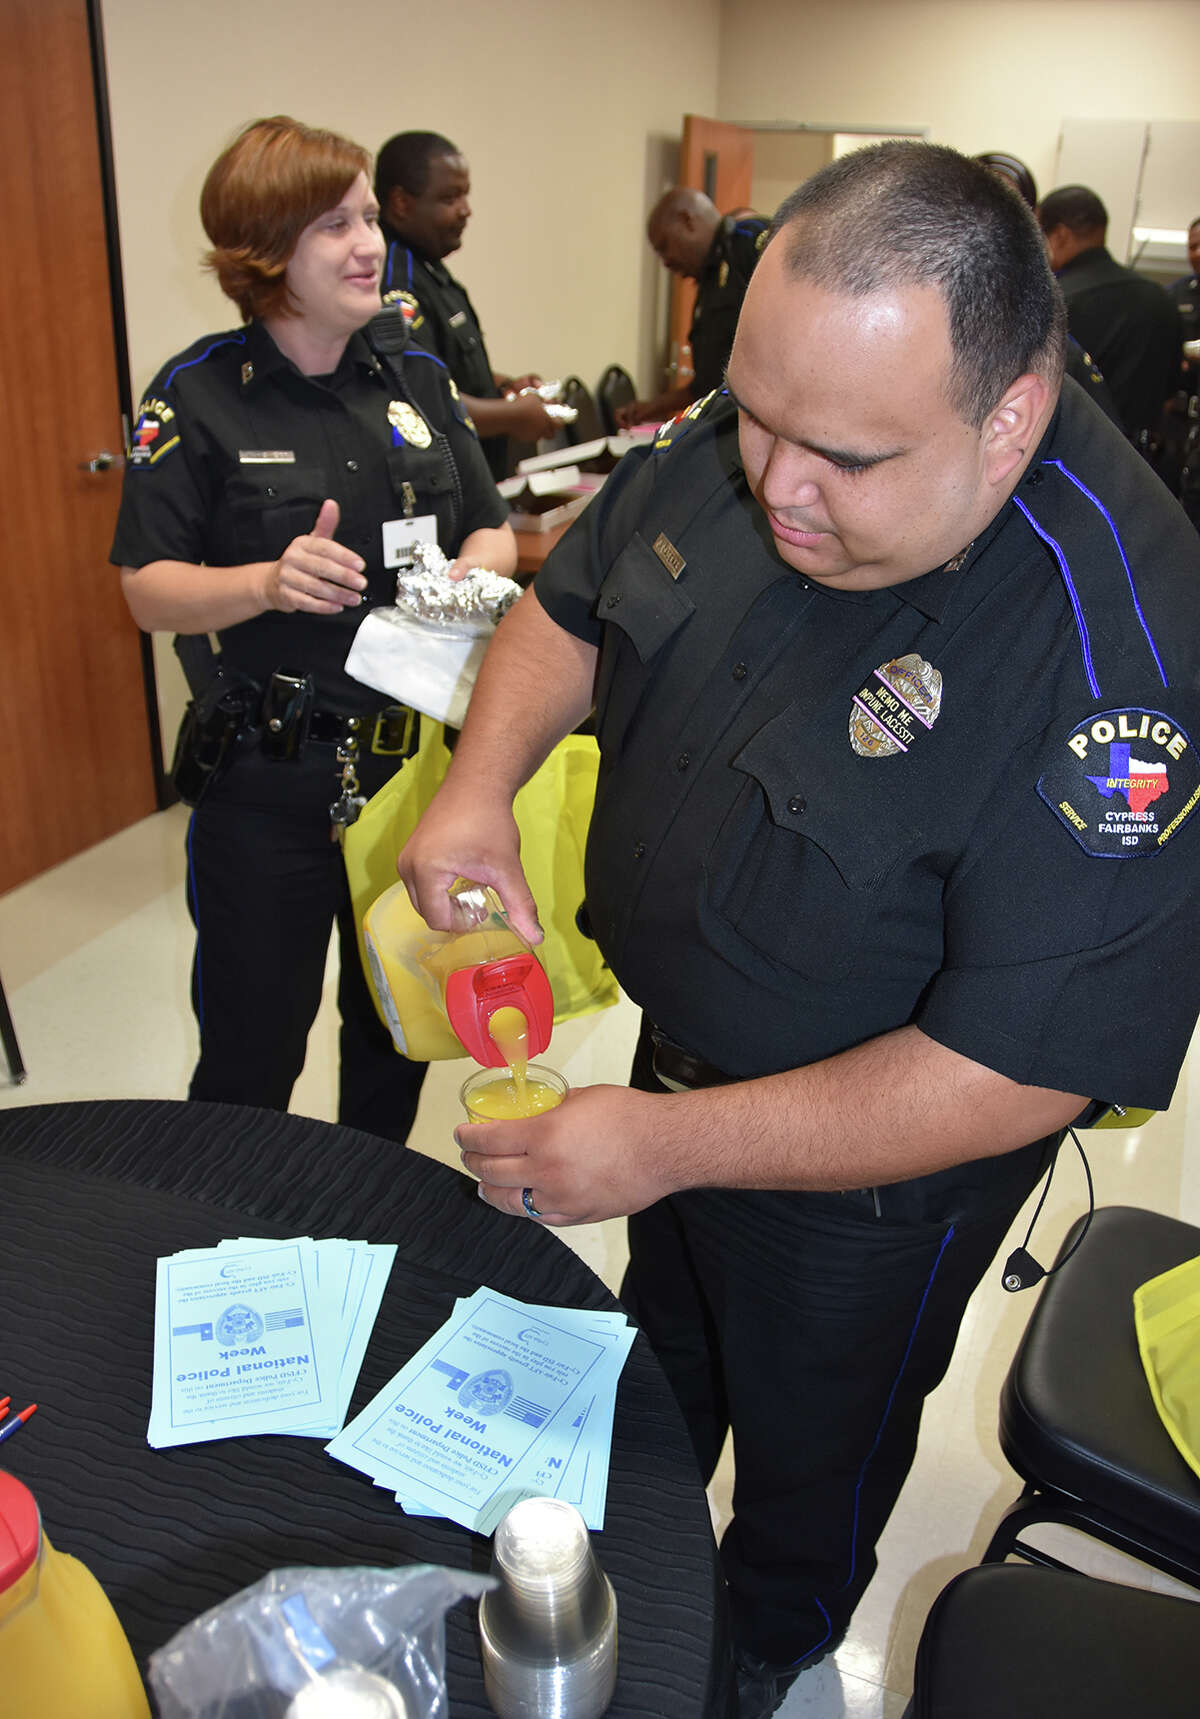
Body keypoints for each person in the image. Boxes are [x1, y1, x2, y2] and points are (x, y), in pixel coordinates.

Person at [397, 142, 1200, 1717]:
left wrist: (669, 1146)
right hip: (671, 1077)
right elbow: (580, 601)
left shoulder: (1123, 661)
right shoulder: (783, 404)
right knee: (656, 1361)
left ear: (1010, 417)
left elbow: (1018, 1067)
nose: (774, 484)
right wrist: (475, 787)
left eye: (836, 454)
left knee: (807, 1465)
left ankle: (756, 1661)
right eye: (755, 420)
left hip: (869, 1197)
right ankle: (622, 1566)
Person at [112, 115, 515, 1146]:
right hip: (269, 780)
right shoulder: (197, 394)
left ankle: (366, 1231)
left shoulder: (415, 375)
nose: (369, 244)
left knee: (392, 1032)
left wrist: (472, 577)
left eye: (371, 218)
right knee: (253, 1052)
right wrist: (263, 581)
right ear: (267, 247)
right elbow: (146, 591)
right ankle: (235, 1247)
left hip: (406, 775)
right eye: (335, 224)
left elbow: (493, 530)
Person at [374, 131, 558, 479]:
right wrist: (517, 417)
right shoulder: (397, 280)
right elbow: (422, 398)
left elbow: (443, 366)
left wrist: (502, 387)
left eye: (465, 195)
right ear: (401, 203)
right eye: (449, 198)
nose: (465, 209)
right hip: (437, 489)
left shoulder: (428, 265)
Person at [1038, 183, 1180, 443]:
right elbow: (1171, 394)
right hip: (1150, 463)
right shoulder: (1161, 298)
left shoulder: (1055, 302)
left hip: (1082, 458)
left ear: (1059, 235)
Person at [617, 187, 768, 428]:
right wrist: (652, 407)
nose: (666, 262)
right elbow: (708, 384)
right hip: (722, 429)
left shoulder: (750, 241)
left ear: (687, 221)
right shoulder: (708, 282)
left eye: (664, 246)